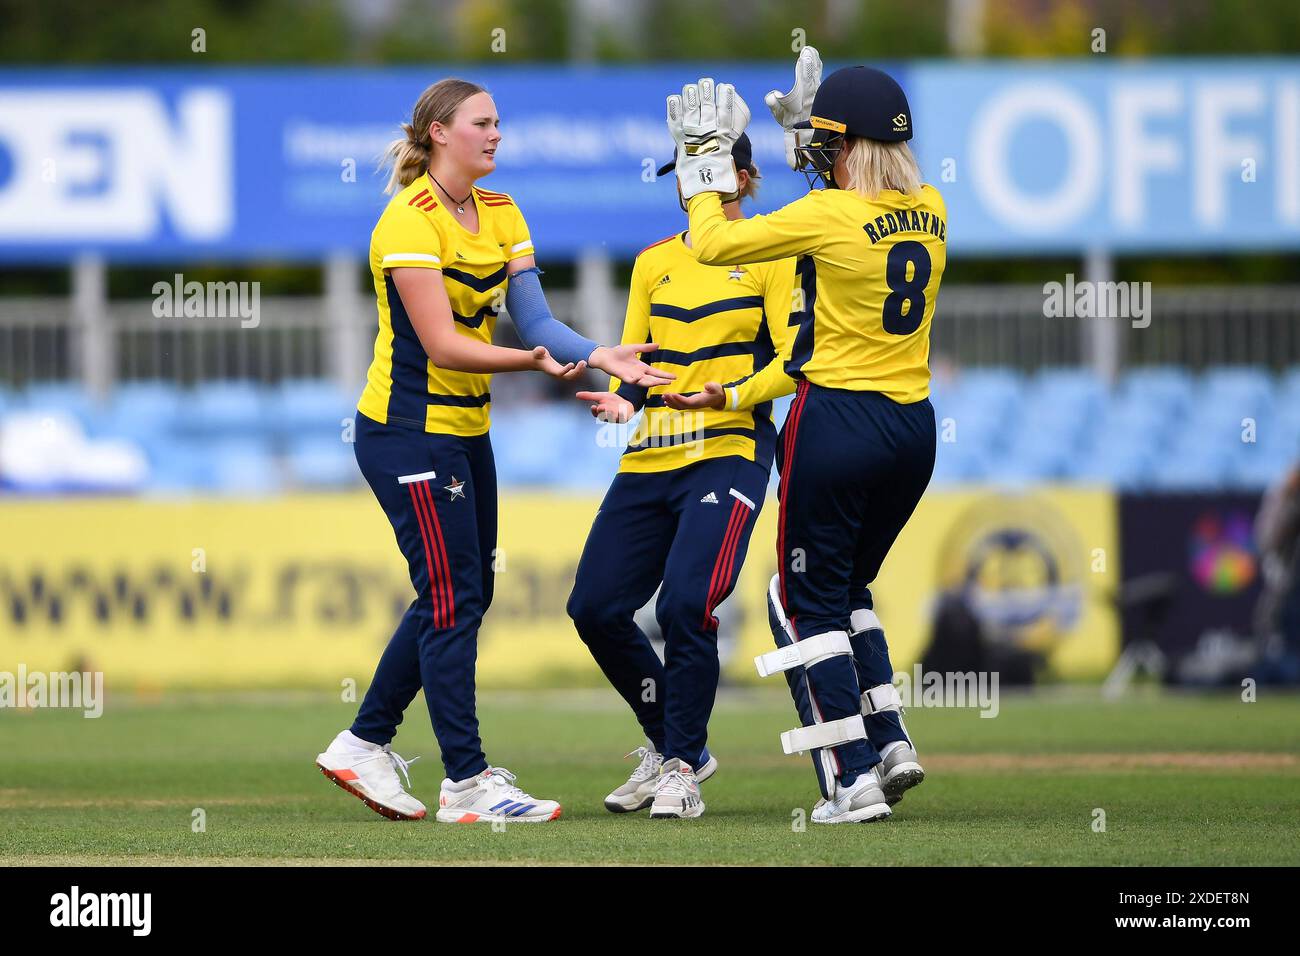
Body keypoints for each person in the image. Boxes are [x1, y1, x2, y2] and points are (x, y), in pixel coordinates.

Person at [315, 78, 673, 825]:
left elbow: (535, 313)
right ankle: (467, 782)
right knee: (453, 601)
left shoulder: (502, 211)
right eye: (483, 123)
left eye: (499, 122)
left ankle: (364, 741)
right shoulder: (408, 222)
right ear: (440, 133)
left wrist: (603, 354)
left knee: (460, 597)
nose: (497, 134)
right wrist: (533, 364)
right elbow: (446, 346)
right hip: (407, 436)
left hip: (464, 437)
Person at [663, 50, 946, 823]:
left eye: (827, 141)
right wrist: (814, 147)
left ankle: (849, 780)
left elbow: (714, 245)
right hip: (913, 428)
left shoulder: (828, 213)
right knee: (848, 589)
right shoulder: (933, 207)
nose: (815, 151)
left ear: (847, 147)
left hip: (839, 420)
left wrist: (703, 162)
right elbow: (852, 206)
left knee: (798, 598)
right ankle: (889, 740)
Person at [566, 133, 797, 819]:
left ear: (745, 178)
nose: (686, 184)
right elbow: (638, 360)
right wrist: (623, 398)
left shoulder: (772, 250)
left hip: (729, 446)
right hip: (651, 455)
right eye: (682, 172)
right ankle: (676, 746)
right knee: (595, 609)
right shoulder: (653, 262)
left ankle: (678, 766)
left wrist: (725, 396)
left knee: (685, 605)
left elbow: (794, 361)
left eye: (705, 170)